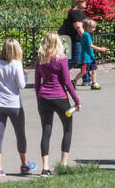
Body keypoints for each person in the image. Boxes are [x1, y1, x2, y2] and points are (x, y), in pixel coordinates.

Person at [33, 32, 80, 175]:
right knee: (67, 128)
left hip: (44, 98)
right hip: (60, 98)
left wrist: (39, 98)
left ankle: (45, 168)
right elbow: (67, 82)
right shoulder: (61, 59)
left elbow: (37, 83)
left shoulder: (40, 59)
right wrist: (77, 100)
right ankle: (63, 164)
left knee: (46, 131)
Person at [0, 39, 36, 177]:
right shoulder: (17, 64)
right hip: (14, 104)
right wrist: (26, 75)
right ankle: (24, 164)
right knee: (20, 134)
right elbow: (21, 85)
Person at [59, 0, 89, 83]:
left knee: (84, 59)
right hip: (74, 40)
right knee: (75, 60)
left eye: (85, 0)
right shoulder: (74, 13)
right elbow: (78, 26)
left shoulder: (79, 13)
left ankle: (86, 79)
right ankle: (59, 76)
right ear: (77, 2)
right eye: (82, 1)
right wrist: (86, 38)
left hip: (75, 39)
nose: (85, 2)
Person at [79, 19, 109, 89]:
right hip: (86, 57)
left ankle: (94, 83)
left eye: (94, 27)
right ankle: (74, 81)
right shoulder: (86, 35)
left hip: (90, 56)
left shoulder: (87, 34)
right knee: (84, 72)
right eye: (92, 27)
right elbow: (90, 45)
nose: (94, 29)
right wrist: (100, 49)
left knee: (94, 70)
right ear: (87, 27)